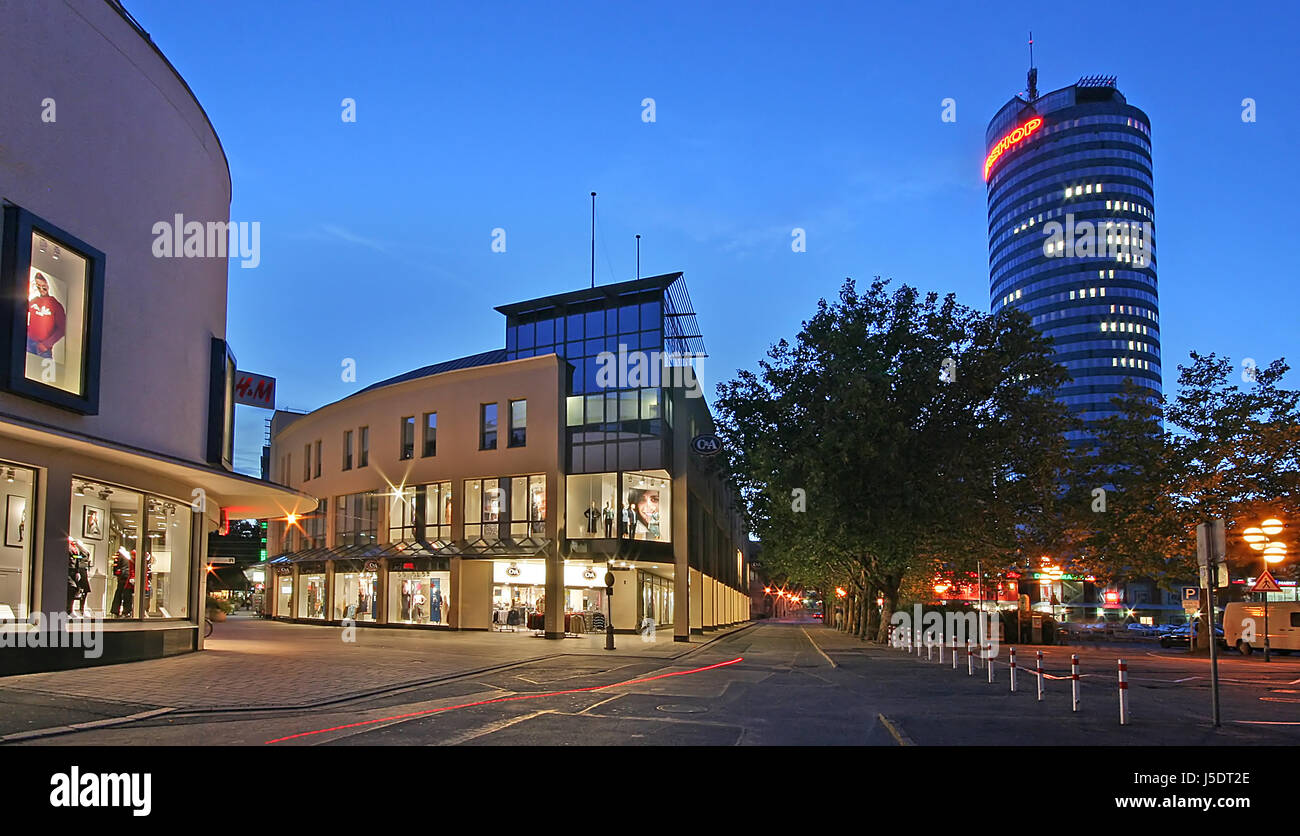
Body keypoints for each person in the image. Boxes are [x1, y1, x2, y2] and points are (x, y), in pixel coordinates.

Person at [27, 272, 67, 358]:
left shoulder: (56, 305)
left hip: (43, 349)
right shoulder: (34, 301)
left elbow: (62, 329)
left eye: (43, 287)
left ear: (48, 286)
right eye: (38, 286)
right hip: (29, 343)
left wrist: (46, 344)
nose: (41, 289)